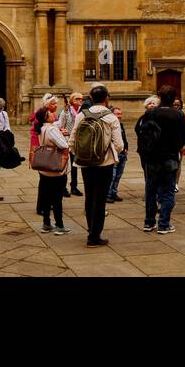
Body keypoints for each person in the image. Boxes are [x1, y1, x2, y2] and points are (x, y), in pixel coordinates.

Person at [71, 85, 124, 247]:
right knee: (100, 200)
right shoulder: (111, 117)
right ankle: (94, 236)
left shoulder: (81, 115)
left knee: (89, 197)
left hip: (85, 163)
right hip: (104, 164)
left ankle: (90, 230)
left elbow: (72, 140)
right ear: (106, 98)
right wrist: (105, 154)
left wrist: (83, 153)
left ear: (91, 99)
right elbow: (119, 145)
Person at [135, 89, 185, 234]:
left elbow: (140, 132)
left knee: (150, 191)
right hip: (170, 157)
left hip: (152, 158)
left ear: (159, 98)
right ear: (174, 98)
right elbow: (183, 136)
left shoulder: (150, 113)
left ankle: (149, 222)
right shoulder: (178, 114)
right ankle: (164, 224)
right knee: (168, 191)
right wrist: (175, 147)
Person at [34, 102, 71, 235]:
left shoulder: (42, 128)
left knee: (46, 197)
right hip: (56, 169)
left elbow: (59, 123)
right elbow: (62, 145)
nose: (52, 114)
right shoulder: (51, 129)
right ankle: (59, 225)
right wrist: (66, 139)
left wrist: (65, 111)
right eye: (50, 113)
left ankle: (46, 224)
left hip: (44, 168)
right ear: (46, 117)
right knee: (57, 198)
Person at [58, 91, 85, 197]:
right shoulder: (66, 111)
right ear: (72, 101)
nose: (80, 101)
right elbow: (60, 125)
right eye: (77, 99)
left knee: (75, 166)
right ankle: (63, 187)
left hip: (78, 142)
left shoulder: (83, 112)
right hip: (66, 141)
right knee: (65, 166)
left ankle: (74, 187)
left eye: (81, 99)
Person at [107, 106, 129, 203]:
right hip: (114, 153)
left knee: (118, 175)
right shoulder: (110, 125)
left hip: (122, 154)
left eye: (120, 114)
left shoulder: (121, 125)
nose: (119, 116)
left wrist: (126, 147)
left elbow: (123, 138)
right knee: (112, 175)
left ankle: (113, 192)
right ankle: (107, 194)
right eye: (117, 114)